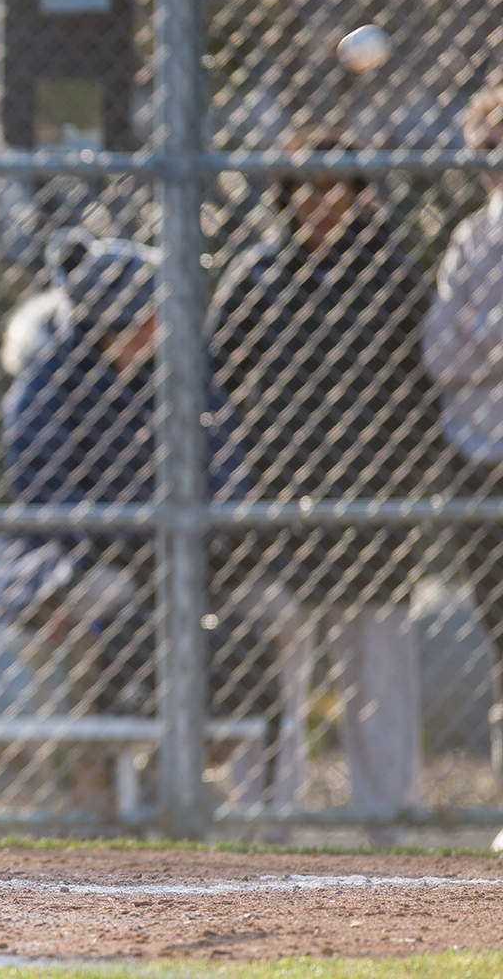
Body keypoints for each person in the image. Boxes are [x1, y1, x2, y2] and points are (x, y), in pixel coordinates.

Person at [0, 242, 289, 813]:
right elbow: (49, 496)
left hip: (188, 554)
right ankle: (99, 786)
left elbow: (227, 464)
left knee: (274, 609)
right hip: (83, 559)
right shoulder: (49, 376)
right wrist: (136, 538)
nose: (151, 327)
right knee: (112, 598)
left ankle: (244, 795)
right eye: (135, 319)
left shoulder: (183, 367)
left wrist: (220, 536)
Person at [211, 129, 438, 842]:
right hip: (278, 507)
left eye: (337, 185)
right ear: (286, 198)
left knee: (378, 675)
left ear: (362, 193)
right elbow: (215, 380)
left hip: (375, 505)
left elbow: (425, 391)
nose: (322, 201)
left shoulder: (395, 276)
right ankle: (266, 816)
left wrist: (408, 479)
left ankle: (385, 817)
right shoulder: (258, 275)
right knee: (274, 662)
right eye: (306, 187)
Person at [421, 83, 503, 798]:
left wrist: (480, 337)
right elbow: (441, 354)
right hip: (477, 456)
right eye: (488, 154)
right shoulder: (472, 238)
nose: (493, 171)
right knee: (501, 640)